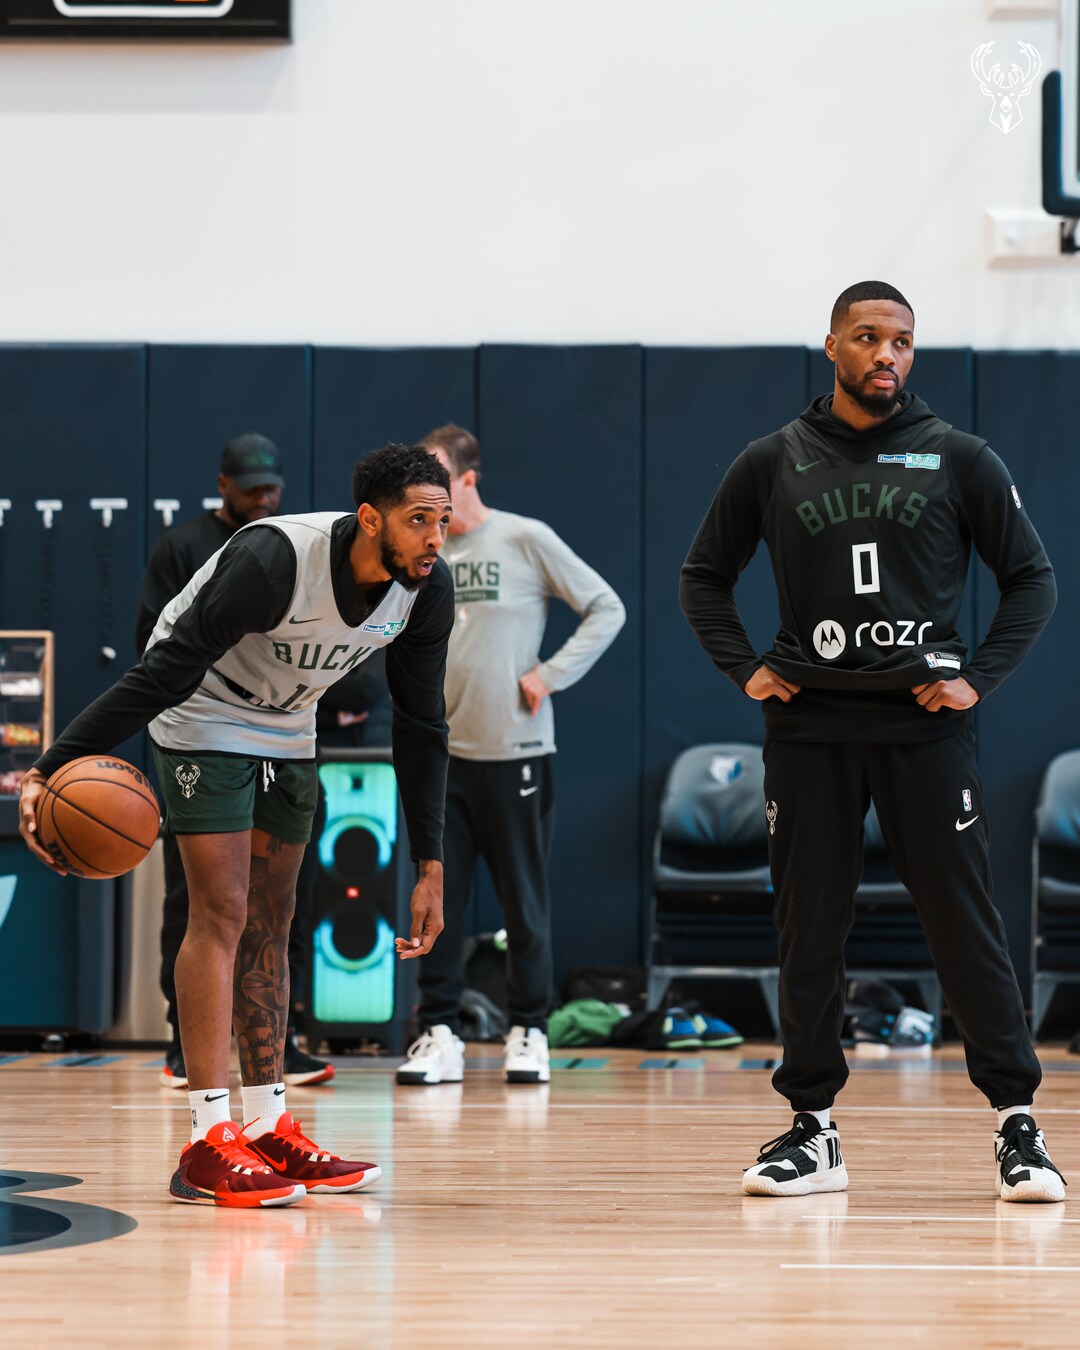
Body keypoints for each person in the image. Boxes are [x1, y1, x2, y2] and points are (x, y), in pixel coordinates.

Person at [680, 281, 1065, 1203]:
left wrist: (979, 677)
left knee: (963, 924)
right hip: (810, 726)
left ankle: (1018, 1125)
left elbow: (1032, 579)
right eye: (867, 338)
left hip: (923, 728)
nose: (886, 354)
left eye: (901, 341)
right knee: (809, 926)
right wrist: (746, 667)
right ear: (832, 348)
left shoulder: (960, 457)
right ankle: (813, 1129)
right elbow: (704, 576)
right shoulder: (772, 461)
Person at [20, 443, 454, 1208]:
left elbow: (423, 724)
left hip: (288, 723)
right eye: (419, 520)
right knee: (220, 911)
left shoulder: (426, 590)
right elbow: (162, 672)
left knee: (275, 919)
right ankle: (204, 1141)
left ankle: (269, 1124)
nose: (435, 538)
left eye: (443, 521)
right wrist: (49, 766)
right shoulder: (273, 562)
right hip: (201, 711)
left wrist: (429, 864)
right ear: (368, 519)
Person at [395, 424, 625, 1087]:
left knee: (524, 903)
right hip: (445, 759)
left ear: (468, 478)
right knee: (436, 898)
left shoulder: (525, 538)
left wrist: (549, 674)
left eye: (439, 475)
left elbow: (605, 607)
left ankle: (529, 1028)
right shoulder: (423, 551)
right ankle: (438, 1031)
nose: (428, 490)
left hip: (516, 754)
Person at [137, 432, 333, 1089]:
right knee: (195, 900)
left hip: (282, 739)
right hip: (204, 735)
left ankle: (280, 1040)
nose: (263, 495)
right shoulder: (182, 547)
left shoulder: (295, 550)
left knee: (283, 900)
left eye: (271, 485)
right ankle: (181, 1045)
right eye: (250, 485)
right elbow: (155, 646)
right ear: (222, 484)